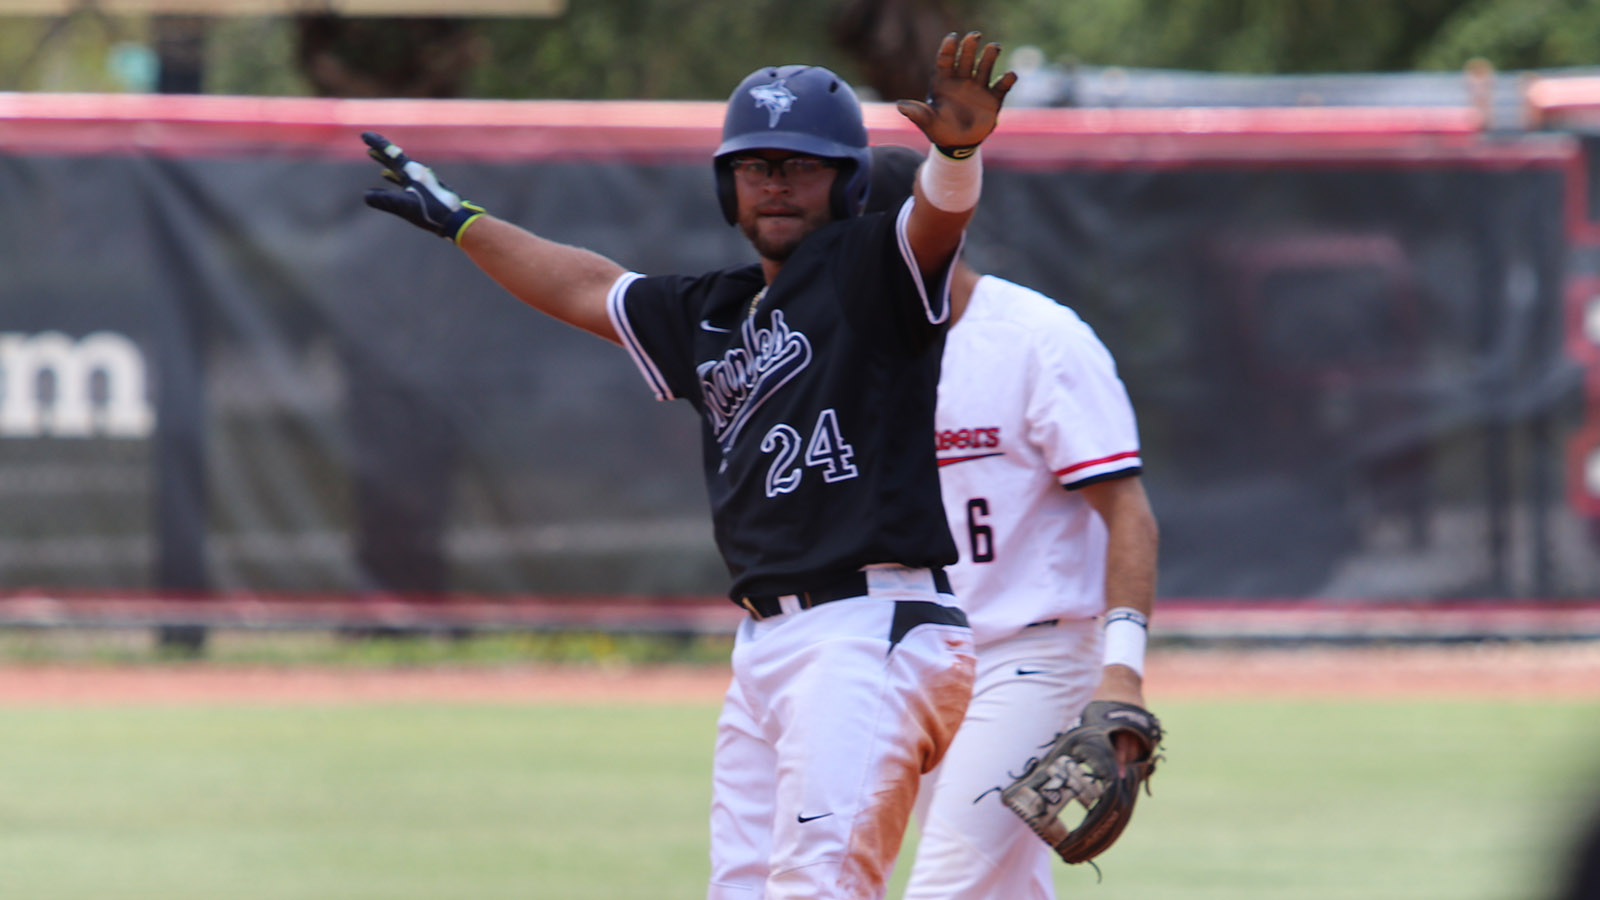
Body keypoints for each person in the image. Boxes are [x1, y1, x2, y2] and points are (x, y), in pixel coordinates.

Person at [358, 34, 1016, 900]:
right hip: (772, 644)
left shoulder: (873, 270)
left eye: (801, 165)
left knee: (816, 887)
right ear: (726, 183)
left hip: (869, 630)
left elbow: (935, 217)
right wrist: (467, 226)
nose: (775, 182)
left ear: (850, 180)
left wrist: (957, 153)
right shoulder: (712, 309)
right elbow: (588, 286)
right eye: (755, 165)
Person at [866, 146, 1160, 900]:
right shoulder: (860, 357)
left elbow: (1126, 510)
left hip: (1030, 656)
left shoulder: (1037, 338)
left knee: (947, 884)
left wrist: (1121, 666)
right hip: (921, 661)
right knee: (1005, 886)